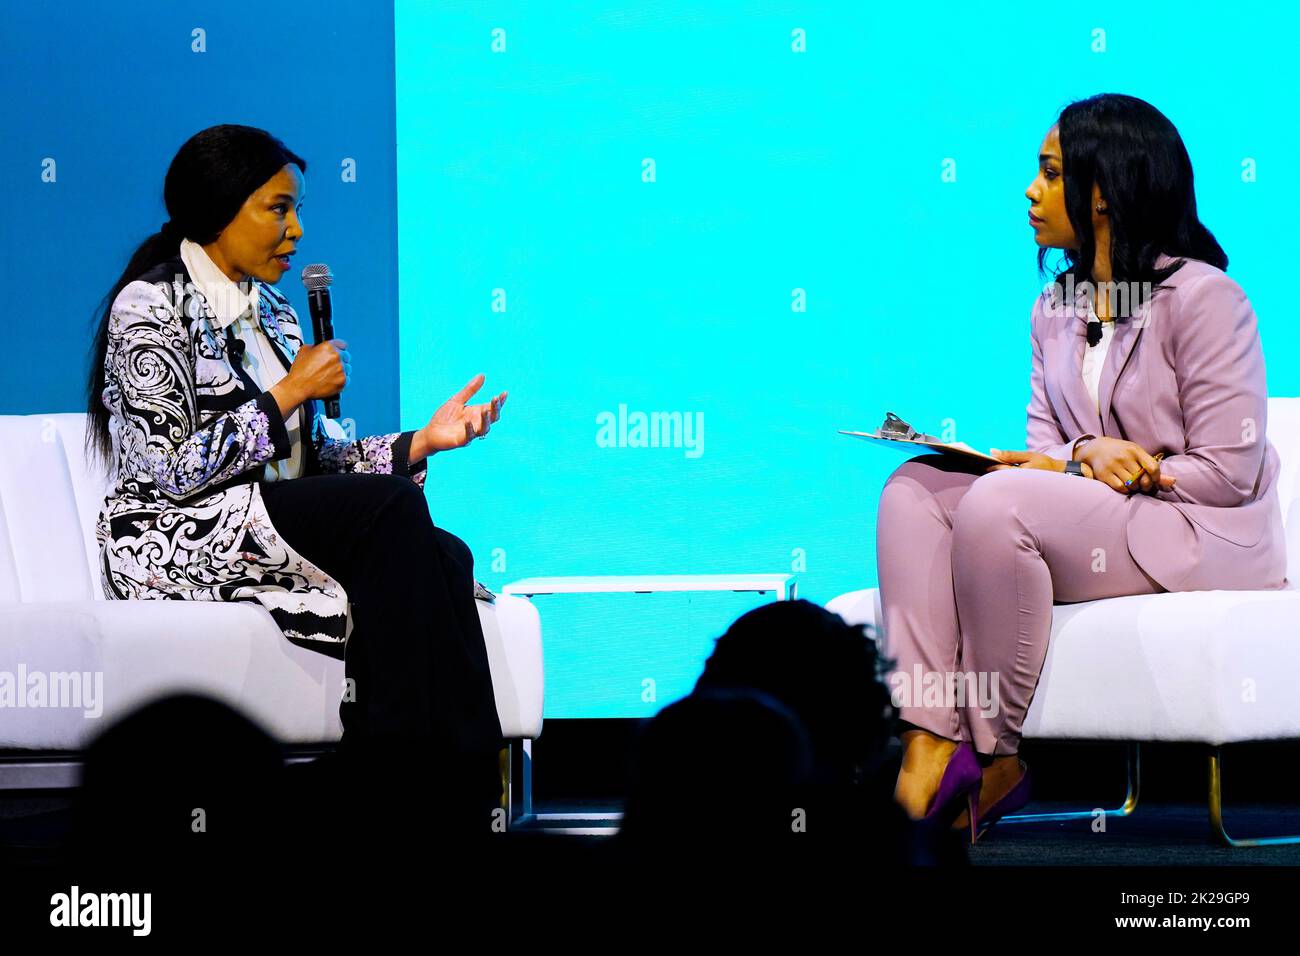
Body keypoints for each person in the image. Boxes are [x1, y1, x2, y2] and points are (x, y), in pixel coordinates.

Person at [876, 93, 1289, 842]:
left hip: (1200, 533)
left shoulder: (1205, 299)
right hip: (1101, 518)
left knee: (999, 507)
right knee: (913, 492)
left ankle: (997, 752)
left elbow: (1229, 471)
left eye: (1049, 173)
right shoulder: (1054, 306)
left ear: (1102, 194)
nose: (1030, 192)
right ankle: (928, 742)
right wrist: (1082, 458)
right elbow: (1047, 447)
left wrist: (1116, 470)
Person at [85, 124, 508, 823]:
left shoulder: (276, 314)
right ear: (221, 208)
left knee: (445, 553)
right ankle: (402, 769)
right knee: (391, 513)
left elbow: (322, 464)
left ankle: (462, 775)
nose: (297, 230)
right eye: (278, 209)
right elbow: (166, 472)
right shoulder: (151, 306)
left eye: (297, 210)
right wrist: (285, 395)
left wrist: (421, 442)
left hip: (264, 514)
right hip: (175, 535)